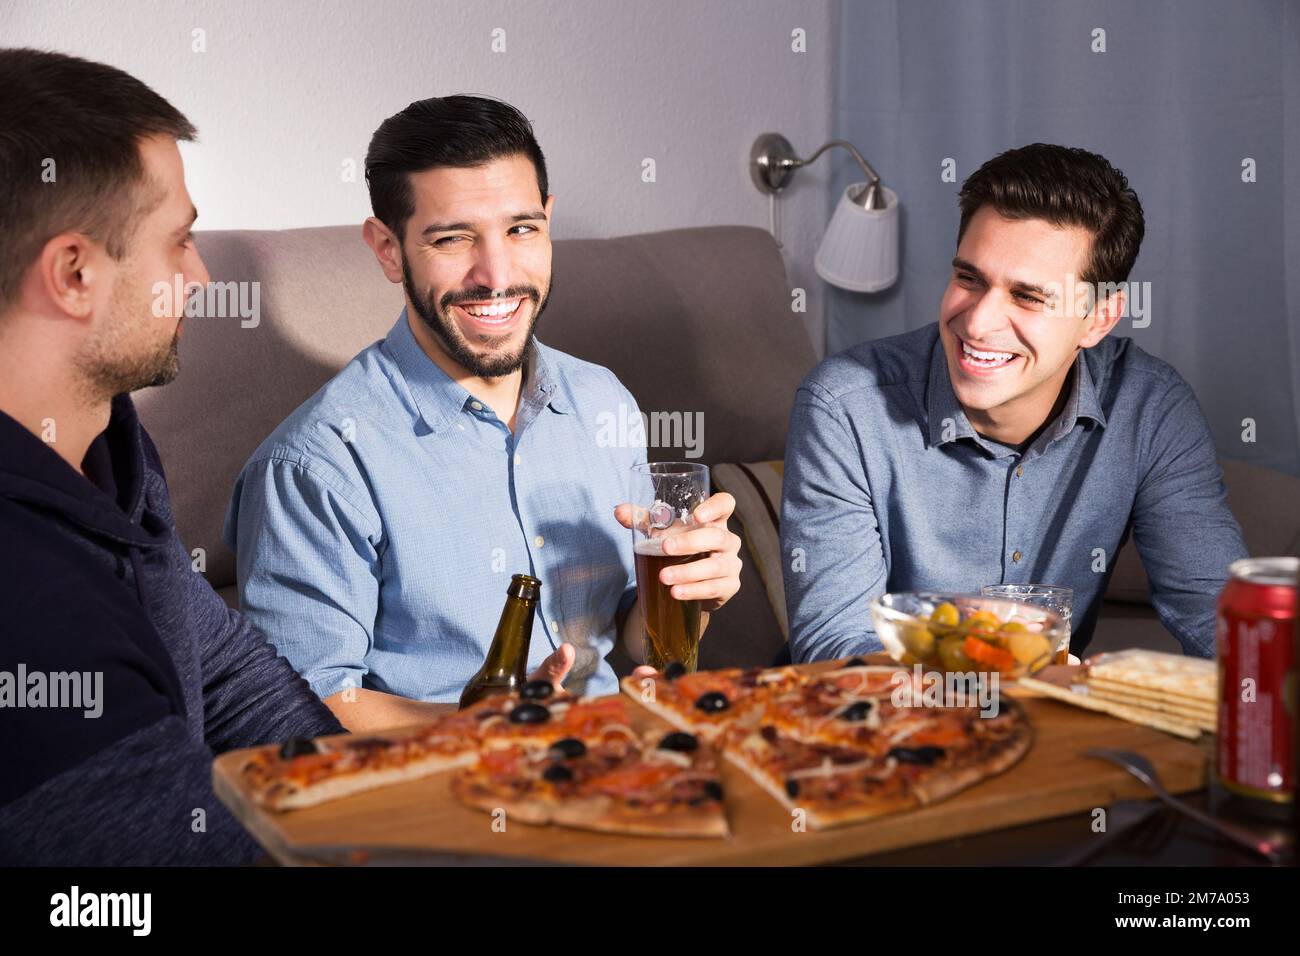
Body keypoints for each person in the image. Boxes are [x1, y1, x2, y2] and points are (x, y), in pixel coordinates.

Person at [225, 96, 743, 730]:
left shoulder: (603, 401)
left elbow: (638, 643)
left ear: (548, 222)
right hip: (442, 797)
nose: (496, 275)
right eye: (453, 238)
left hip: (618, 769)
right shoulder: (316, 463)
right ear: (389, 249)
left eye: (521, 229)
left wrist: (692, 594)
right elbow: (302, 709)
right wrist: (489, 729)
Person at [0, 48, 344, 865]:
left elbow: (221, 670)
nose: (198, 274)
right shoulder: (27, 606)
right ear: (74, 273)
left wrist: (366, 800)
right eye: (178, 243)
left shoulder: (106, 440)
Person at [781, 143, 1246, 662]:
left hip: (1050, 727)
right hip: (876, 728)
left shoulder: (1150, 407)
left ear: (1098, 320)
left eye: (1027, 297)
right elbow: (836, 651)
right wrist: (1004, 684)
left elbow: (1219, 616)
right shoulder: (844, 407)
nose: (977, 323)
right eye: (969, 278)